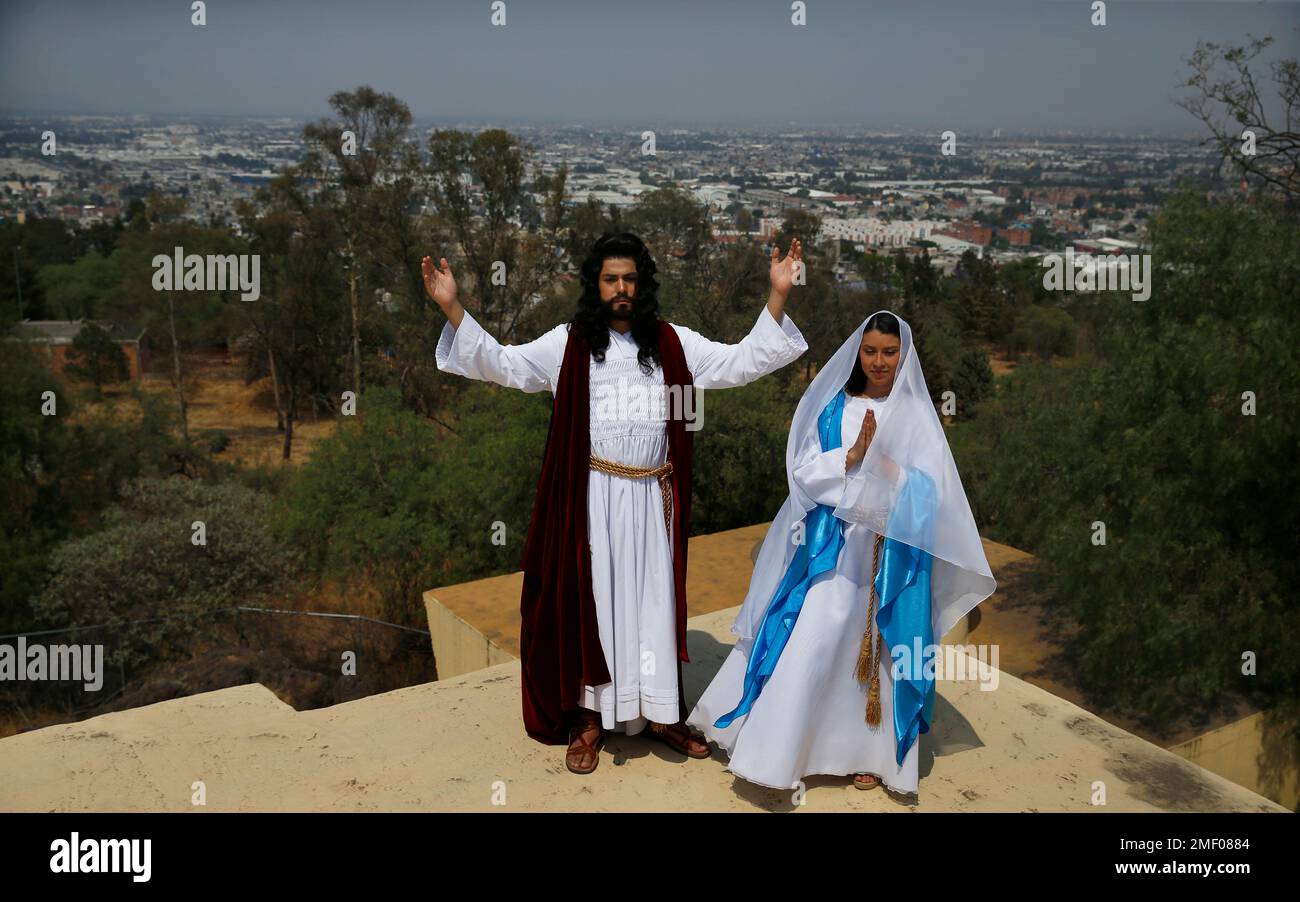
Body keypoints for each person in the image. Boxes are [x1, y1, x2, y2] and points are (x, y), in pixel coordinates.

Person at [425, 232, 810, 774]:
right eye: (611, 279)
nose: (622, 288)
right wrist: (453, 307)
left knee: (653, 604)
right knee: (599, 607)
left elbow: (740, 361)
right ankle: (588, 719)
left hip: (654, 499)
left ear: (642, 283)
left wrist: (777, 295)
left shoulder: (674, 343)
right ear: (596, 285)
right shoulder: (568, 344)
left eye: (630, 278)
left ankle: (659, 711)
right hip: (593, 502)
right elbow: (503, 364)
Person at [688, 310, 996, 802]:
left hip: (885, 556)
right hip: (832, 547)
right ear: (858, 352)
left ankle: (867, 755)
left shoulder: (916, 414)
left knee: (873, 653)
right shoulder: (834, 406)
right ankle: (781, 751)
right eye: (870, 351)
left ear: (903, 356)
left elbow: (934, 496)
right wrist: (850, 458)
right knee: (815, 636)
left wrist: (893, 471)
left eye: (889, 353)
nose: (879, 361)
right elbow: (804, 472)